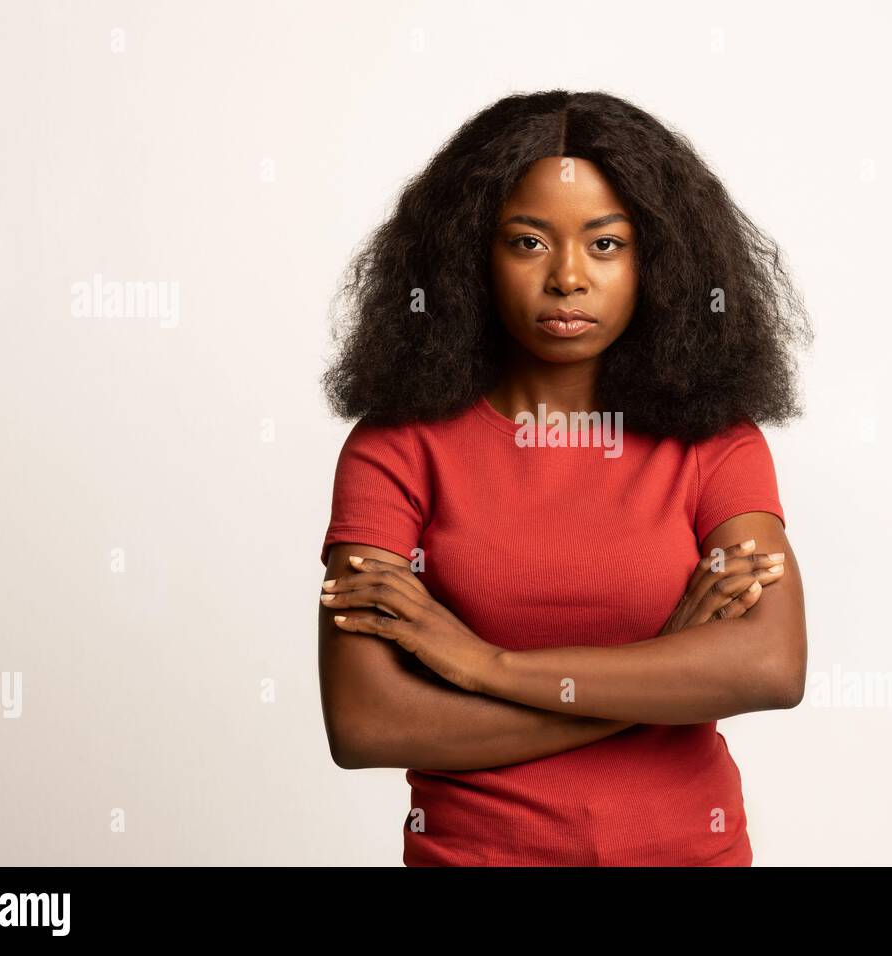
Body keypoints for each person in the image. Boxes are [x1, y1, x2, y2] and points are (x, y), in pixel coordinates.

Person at [316, 90, 812, 866]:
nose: (568, 278)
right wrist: (659, 676)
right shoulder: (397, 449)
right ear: (469, 256)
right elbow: (366, 723)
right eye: (527, 242)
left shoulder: (716, 445)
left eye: (606, 244)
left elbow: (771, 665)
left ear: (662, 259)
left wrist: (485, 666)